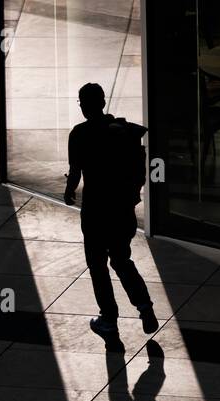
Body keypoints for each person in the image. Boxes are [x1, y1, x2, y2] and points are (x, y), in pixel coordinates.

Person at [63, 82, 158, 341]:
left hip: (95, 210)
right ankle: (144, 306)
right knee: (121, 259)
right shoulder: (124, 133)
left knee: (97, 265)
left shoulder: (79, 134)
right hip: (121, 209)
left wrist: (69, 192)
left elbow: (75, 172)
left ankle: (109, 319)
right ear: (103, 103)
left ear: (84, 106)